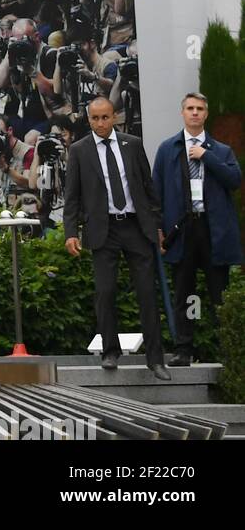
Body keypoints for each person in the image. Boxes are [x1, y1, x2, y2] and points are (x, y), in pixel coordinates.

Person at [62, 96, 169, 379]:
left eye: (105, 117)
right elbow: (71, 197)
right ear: (89, 120)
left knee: (147, 293)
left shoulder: (132, 145)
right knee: (105, 292)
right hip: (102, 230)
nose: (100, 123)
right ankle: (110, 352)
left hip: (136, 227)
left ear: (114, 117)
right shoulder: (79, 151)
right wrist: (71, 233)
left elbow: (149, 188)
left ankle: (156, 359)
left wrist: (156, 225)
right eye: (95, 118)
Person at [152, 92, 242, 365]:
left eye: (199, 108)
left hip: (213, 229)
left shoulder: (221, 150)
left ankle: (227, 350)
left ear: (206, 114)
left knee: (219, 294)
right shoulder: (168, 148)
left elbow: (234, 180)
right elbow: (156, 192)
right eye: (190, 108)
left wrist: (206, 156)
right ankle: (184, 349)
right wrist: (158, 227)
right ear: (182, 113)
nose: (194, 113)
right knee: (186, 293)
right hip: (182, 229)